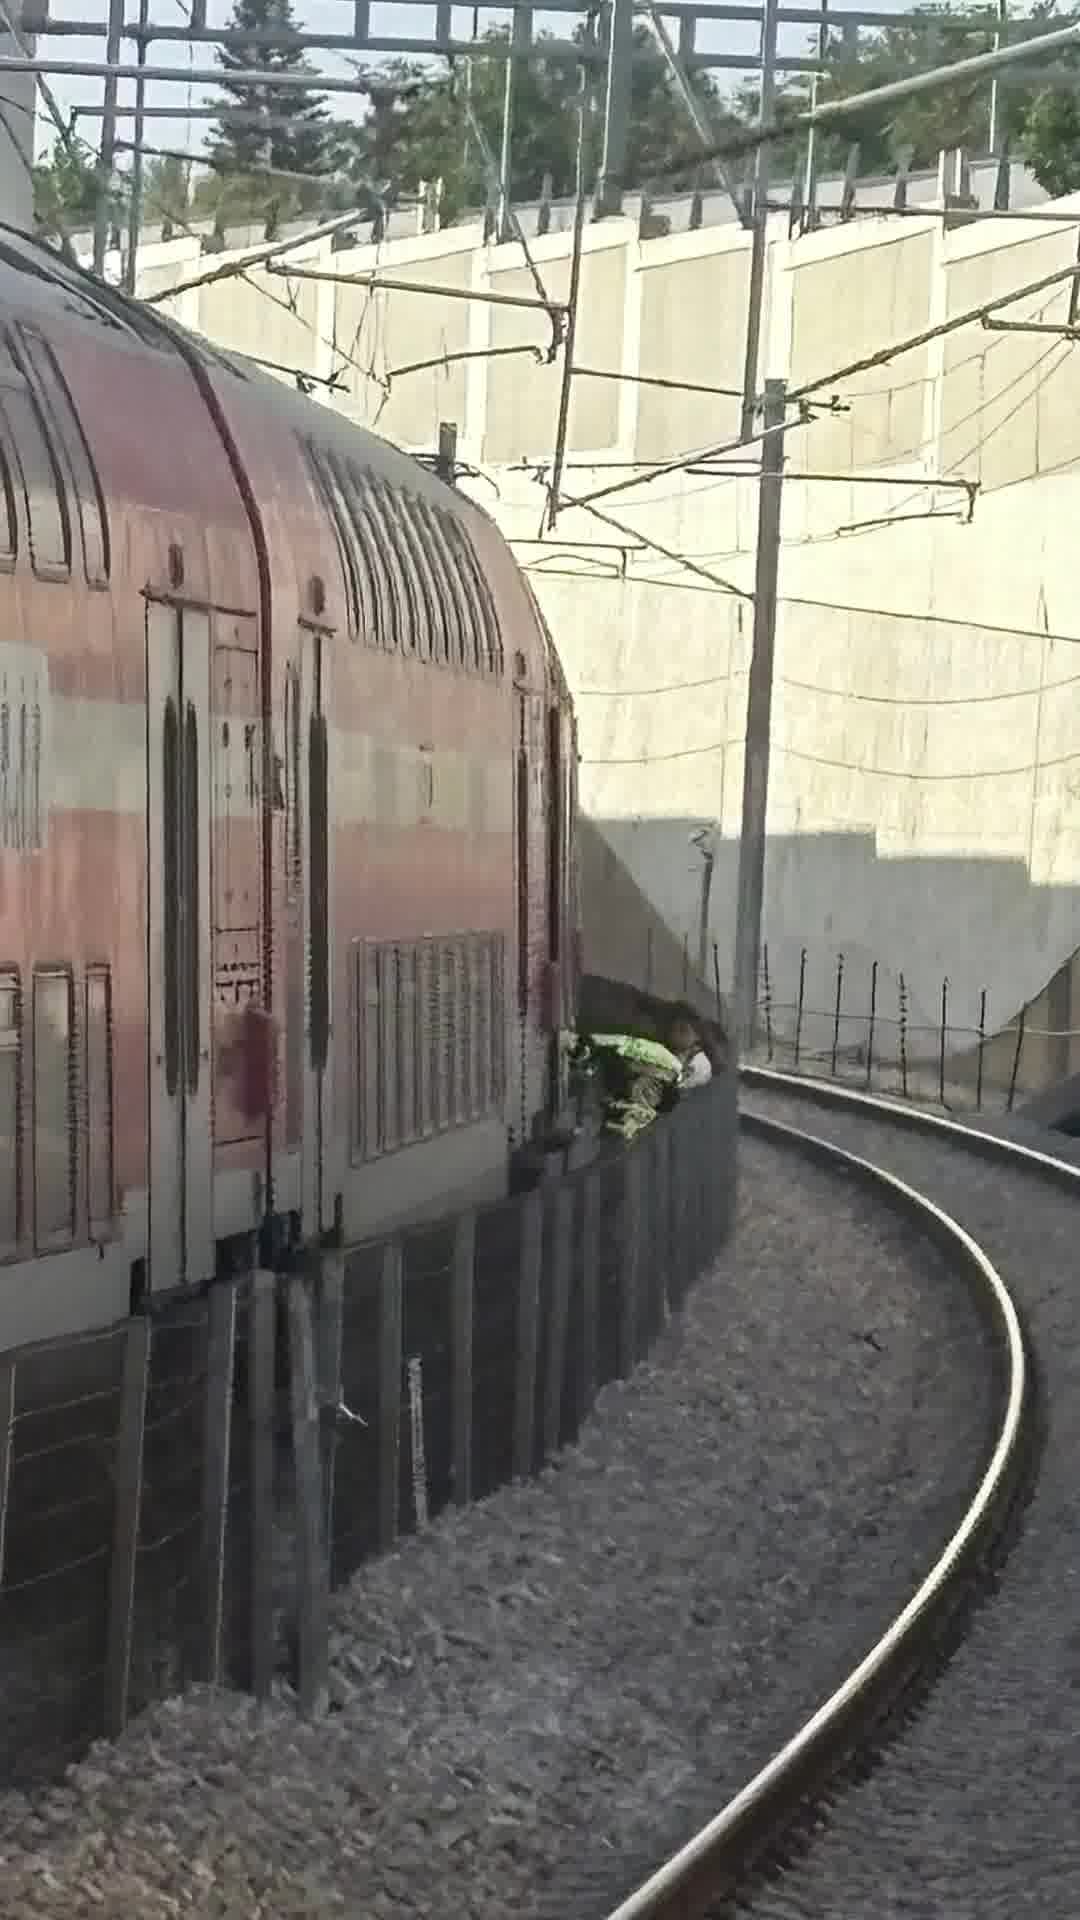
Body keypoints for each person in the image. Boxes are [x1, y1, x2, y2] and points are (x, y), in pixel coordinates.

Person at [670, 1013, 713, 1092]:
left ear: (697, 1036)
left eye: (683, 1030)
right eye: (673, 1029)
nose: (676, 1034)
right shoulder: (675, 1053)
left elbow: (678, 1084)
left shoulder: (699, 1062)